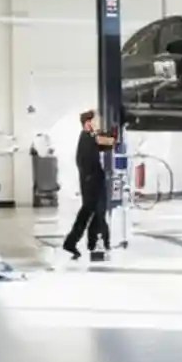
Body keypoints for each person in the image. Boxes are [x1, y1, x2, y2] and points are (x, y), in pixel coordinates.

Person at [62, 109, 117, 260]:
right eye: (96, 121)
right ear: (88, 123)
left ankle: (83, 243)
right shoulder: (88, 138)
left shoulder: (89, 137)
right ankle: (96, 243)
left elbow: (108, 145)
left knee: (90, 213)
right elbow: (110, 142)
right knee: (96, 212)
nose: (98, 124)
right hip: (92, 181)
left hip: (92, 180)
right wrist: (114, 131)